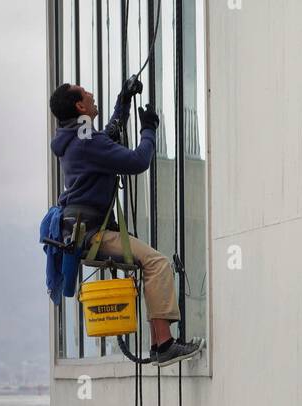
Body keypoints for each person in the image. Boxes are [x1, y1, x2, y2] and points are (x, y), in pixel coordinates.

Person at [49, 78, 202, 365]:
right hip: (92, 233)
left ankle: (161, 343)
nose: (92, 93)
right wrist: (149, 130)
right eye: (86, 93)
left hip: (82, 231)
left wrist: (124, 101)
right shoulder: (85, 142)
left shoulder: (75, 137)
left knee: (151, 263)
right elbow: (138, 161)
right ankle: (164, 343)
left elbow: (106, 136)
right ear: (80, 105)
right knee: (156, 263)